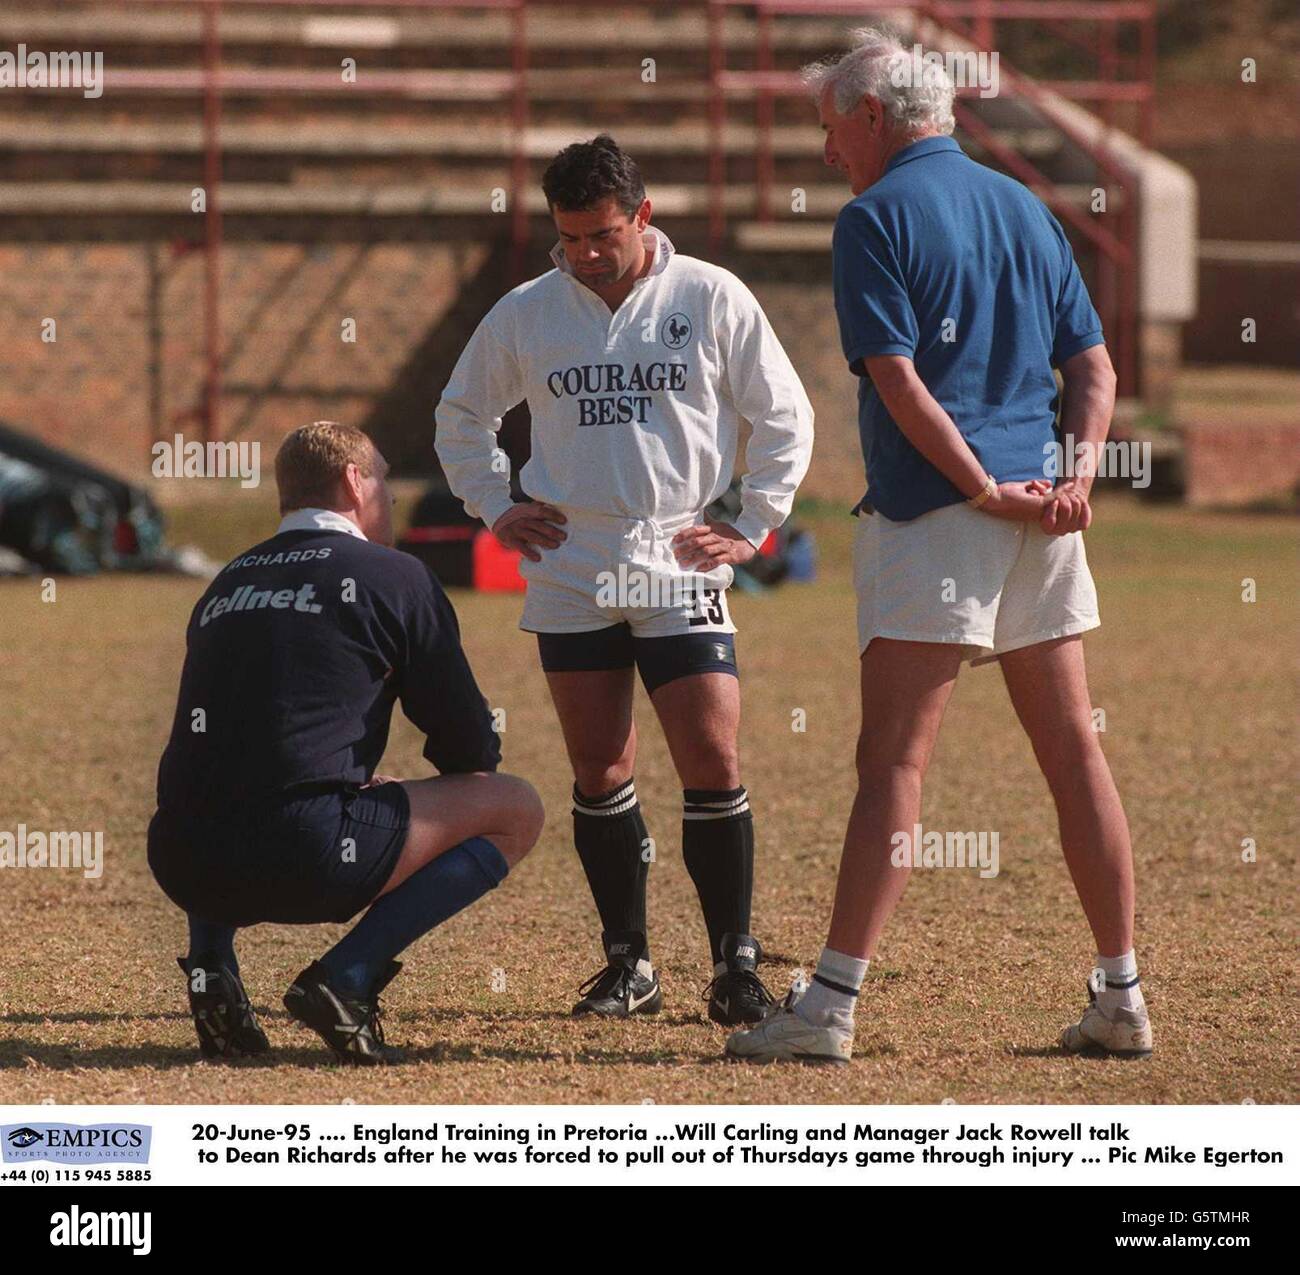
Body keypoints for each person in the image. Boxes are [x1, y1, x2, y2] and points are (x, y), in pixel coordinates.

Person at [727, 29, 1151, 1064]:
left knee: (893, 767)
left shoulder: (874, 216)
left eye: (830, 126)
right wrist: (1076, 479)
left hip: (935, 517)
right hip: (1043, 514)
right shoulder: (1026, 206)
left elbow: (898, 381)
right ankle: (1121, 995)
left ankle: (827, 1007)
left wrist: (974, 488)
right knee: (1074, 756)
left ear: (873, 115)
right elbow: (1093, 367)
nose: (826, 150)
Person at [435, 135, 814, 1023]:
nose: (585, 253)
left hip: (678, 556)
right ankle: (628, 963)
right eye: (568, 238)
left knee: (711, 758)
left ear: (643, 216)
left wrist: (749, 523)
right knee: (599, 766)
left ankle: (734, 963)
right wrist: (497, 505)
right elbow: (462, 415)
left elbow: (784, 415)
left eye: (601, 233)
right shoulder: (529, 310)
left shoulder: (711, 295)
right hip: (572, 563)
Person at [148, 421, 543, 1065]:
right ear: (355, 482)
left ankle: (212, 970)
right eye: (383, 478)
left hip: (183, 862)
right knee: (515, 807)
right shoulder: (395, 575)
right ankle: (346, 977)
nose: (390, 495)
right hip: (309, 855)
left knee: (222, 773)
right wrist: (395, 797)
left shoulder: (225, 582)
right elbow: (467, 748)